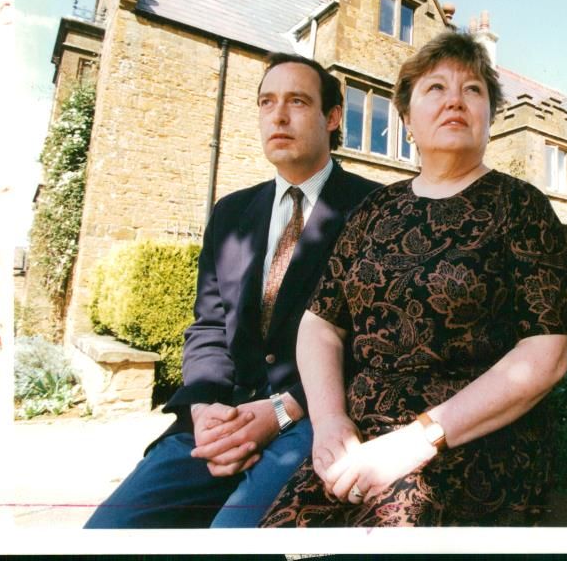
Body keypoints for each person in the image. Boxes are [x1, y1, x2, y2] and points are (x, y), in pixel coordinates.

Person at [260, 32, 567, 527]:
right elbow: (321, 324)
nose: (455, 99)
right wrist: (329, 422)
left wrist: (418, 441)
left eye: (472, 89)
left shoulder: (520, 207)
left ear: (488, 117)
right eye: (436, 88)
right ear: (407, 118)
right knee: (277, 542)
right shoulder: (373, 211)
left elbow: (545, 357)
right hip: (360, 438)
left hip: (470, 443)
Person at [85, 53, 379, 528]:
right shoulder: (231, 213)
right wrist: (203, 409)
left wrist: (281, 411)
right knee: (108, 531)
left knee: (230, 537)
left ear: (333, 117)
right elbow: (208, 326)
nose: (278, 116)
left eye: (297, 102)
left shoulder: (375, 209)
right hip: (220, 420)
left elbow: (376, 344)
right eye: (267, 102)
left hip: (309, 422)